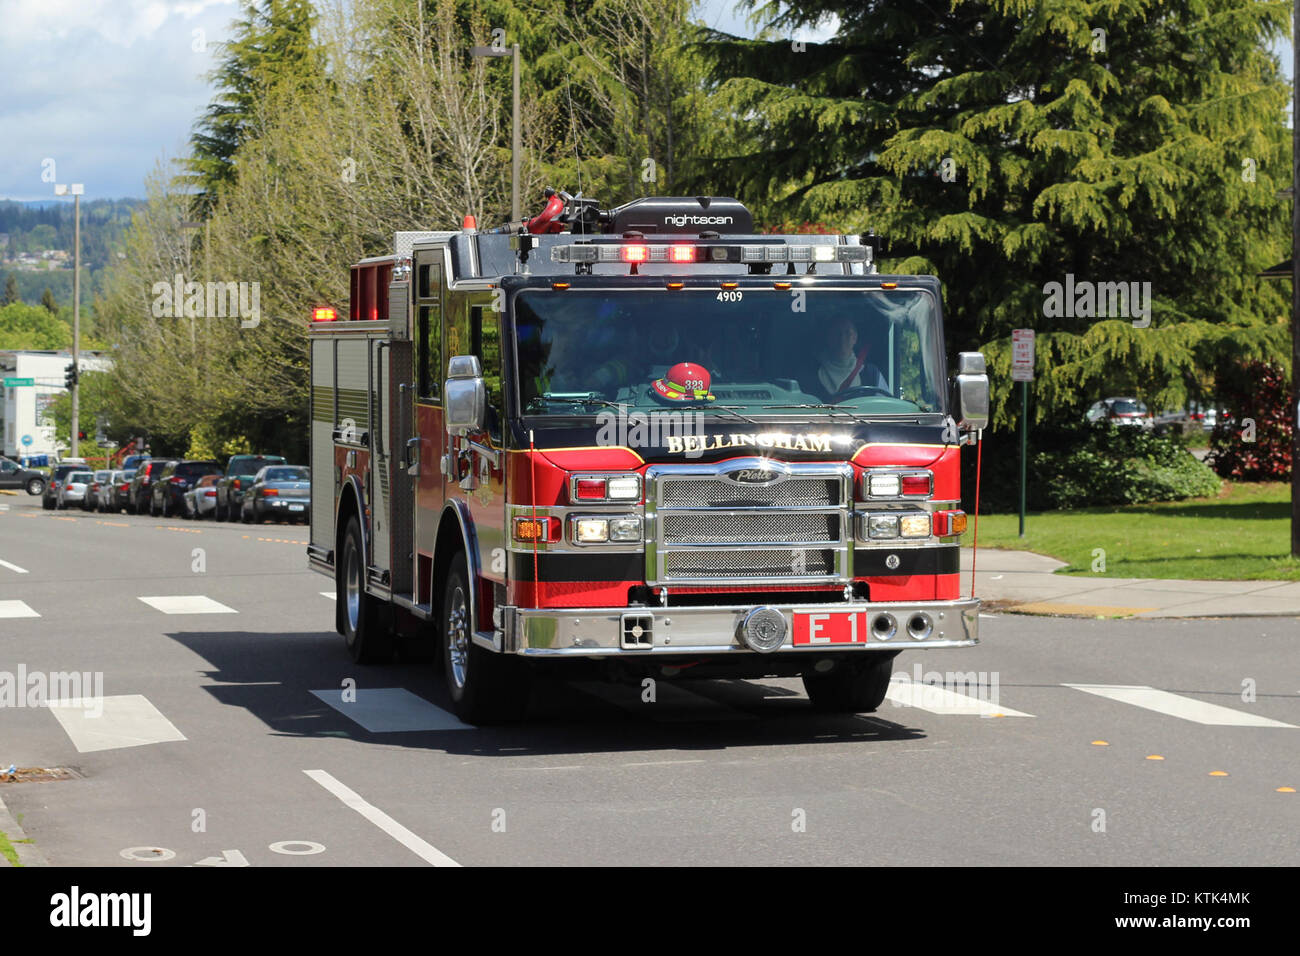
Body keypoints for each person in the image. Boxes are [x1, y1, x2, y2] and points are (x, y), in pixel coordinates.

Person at [816, 316, 888, 397]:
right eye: (837, 333)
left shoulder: (872, 374)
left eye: (847, 333)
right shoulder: (812, 373)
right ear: (828, 338)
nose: (842, 338)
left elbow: (885, 406)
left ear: (855, 338)